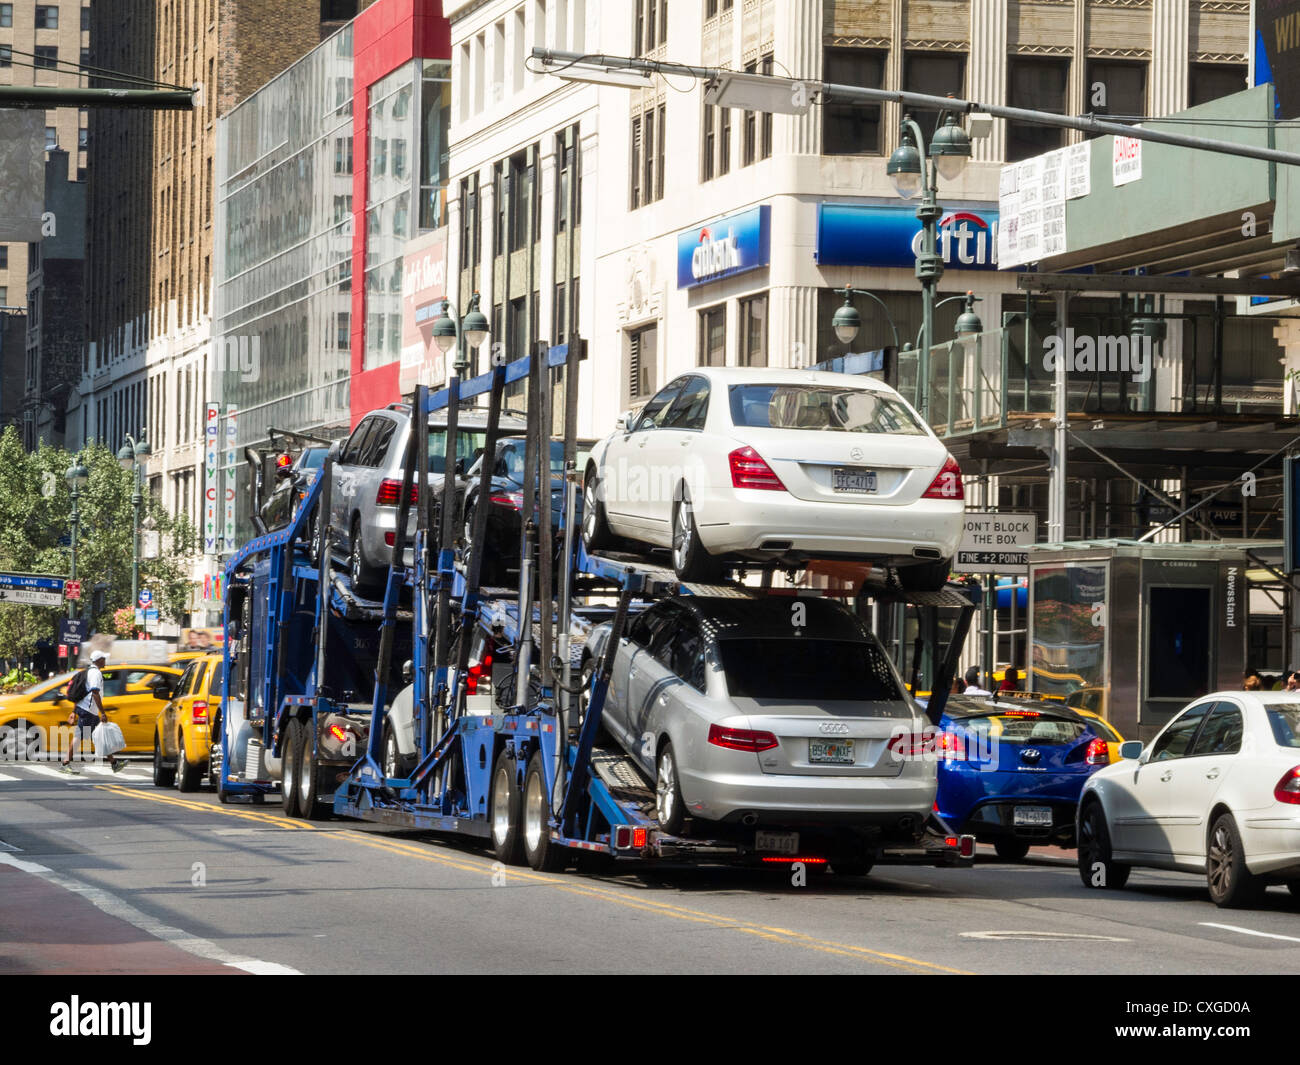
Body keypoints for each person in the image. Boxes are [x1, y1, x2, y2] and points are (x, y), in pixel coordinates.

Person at [59, 649, 125, 774]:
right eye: (104, 659)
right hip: (88, 711)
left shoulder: (90, 672)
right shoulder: (95, 674)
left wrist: (74, 711)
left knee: (99, 736)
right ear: (99, 660)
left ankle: (114, 763)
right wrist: (103, 713)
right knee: (79, 737)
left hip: (89, 711)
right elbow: (94, 693)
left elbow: (83, 693)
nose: (105, 661)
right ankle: (65, 763)